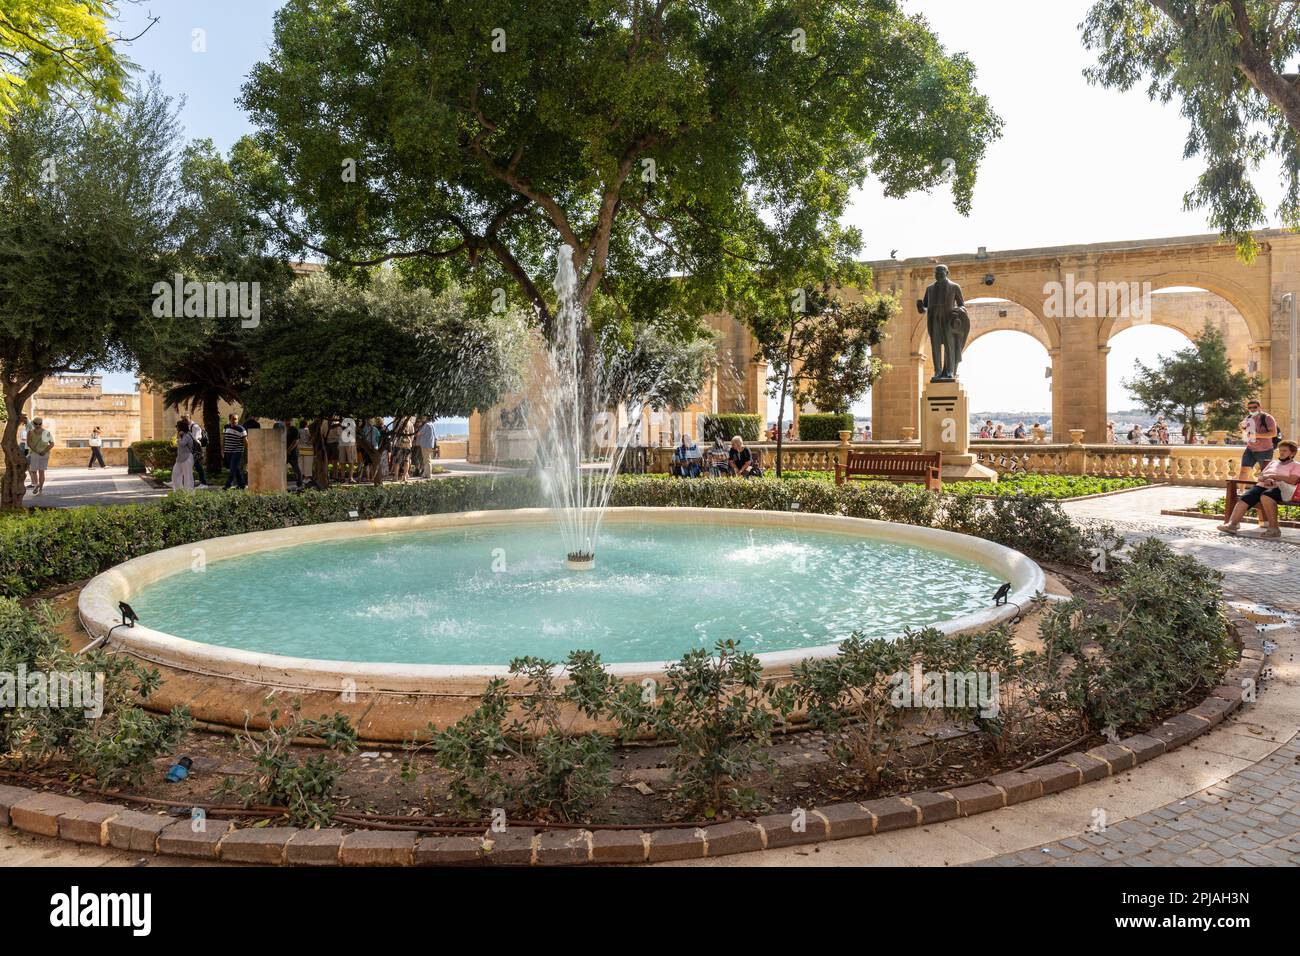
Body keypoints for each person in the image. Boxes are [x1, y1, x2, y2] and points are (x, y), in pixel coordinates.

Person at [1218, 440, 1300, 538]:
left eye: (1285, 451)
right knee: (1246, 496)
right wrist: (1267, 479)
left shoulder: (1296, 465)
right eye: (1280, 450)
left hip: (1281, 488)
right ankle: (1232, 525)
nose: (1281, 453)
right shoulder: (1273, 463)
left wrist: (1274, 476)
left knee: (1266, 496)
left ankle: (1274, 529)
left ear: (1293, 453)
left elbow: (1292, 480)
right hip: (1262, 485)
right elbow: (1260, 477)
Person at [1238, 399, 1278, 481]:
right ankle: (1241, 492)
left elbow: (1273, 433)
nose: (1252, 409)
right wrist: (1241, 427)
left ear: (1259, 407)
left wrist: (1257, 435)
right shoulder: (1248, 418)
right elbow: (1245, 431)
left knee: (1265, 473)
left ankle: (1264, 492)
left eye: (1254, 407)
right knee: (1244, 470)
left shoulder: (1268, 418)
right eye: (1250, 408)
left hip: (1265, 450)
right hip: (1250, 449)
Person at [25, 417, 53, 496]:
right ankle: (40, 490)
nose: (38, 425)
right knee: (42, 472)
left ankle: (36, 484)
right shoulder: (47, 432)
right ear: (34, 424)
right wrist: (44, 451)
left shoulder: (30, 432)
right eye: (37, 424)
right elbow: (52, 444)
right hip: (45, 454)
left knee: (33, 471)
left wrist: (37, 451)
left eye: (39, 424)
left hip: (35, 454)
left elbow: (29, 443)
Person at [223, 414, 248, 489]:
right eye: (233, 419)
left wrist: (248, 453)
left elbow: (246, 442)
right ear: (230, 419)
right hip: (228, 451)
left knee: (232, 469)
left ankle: (228, 485)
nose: (235, 421)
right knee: (235, 468)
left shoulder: (241, 429)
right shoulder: (226, 427)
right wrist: (222, 449)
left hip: (237, 451)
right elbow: (224, 439)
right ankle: (242, 484)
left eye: (236, 419)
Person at [171, 419, 197, 491]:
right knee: (175, 474)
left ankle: (189, 492)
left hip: (187, 458)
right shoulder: (182, 435)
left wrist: (179, 437)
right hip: (180, 459)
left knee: (188, 476)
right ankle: (178, 491)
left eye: (177, 426)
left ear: (181, 427)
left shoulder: (187, 435)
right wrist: (179, 436)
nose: (176, 428)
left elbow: (182, 444)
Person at [189, 419, 208, 486]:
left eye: (185, 419)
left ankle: (203, 483)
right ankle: (177, 481)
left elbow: (196, 439)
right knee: (188, 466)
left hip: (196, 450)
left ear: (189, 419)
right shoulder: (190, 427)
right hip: (193, 450)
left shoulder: (195, 427)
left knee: (198, 466)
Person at [285, 419, 303, 489]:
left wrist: (289, 449)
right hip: (285, 453)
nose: (287, 422)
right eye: (286, 420)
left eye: (288, 420)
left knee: (296, 468)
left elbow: (296, 441)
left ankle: (300, 483)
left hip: (293, 453)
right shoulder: (284, 429)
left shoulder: (295, 430)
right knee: (282, 468)